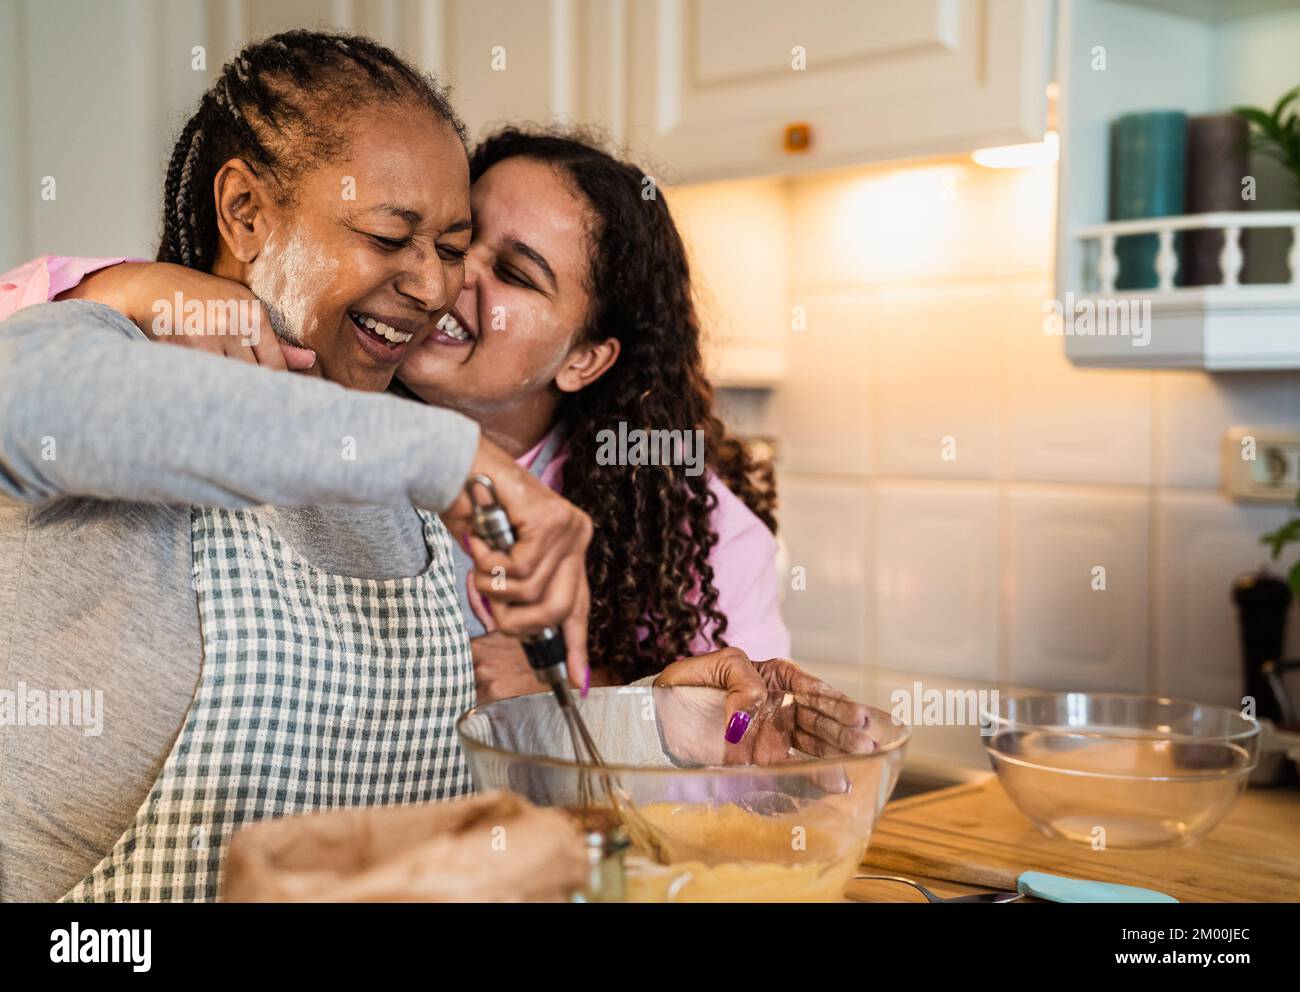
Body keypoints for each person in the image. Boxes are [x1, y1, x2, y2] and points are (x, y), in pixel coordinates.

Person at [8, 129, 792, 704]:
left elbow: (736, 772)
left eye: (514, 273)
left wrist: (578, 696)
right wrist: (128, 290)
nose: (442, 283)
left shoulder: (704, 532)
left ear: (588, 358)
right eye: (453, 242)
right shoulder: (326, 381)